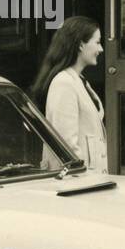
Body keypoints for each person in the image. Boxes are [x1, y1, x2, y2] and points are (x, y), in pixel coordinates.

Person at [30, 16, 107, 173]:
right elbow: (67, 146)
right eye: (97, 42)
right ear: (80, 45)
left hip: (91, 182)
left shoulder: (79, 81)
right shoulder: (64, 83)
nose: (101, 49)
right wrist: (82, 180)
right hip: (81, 185)